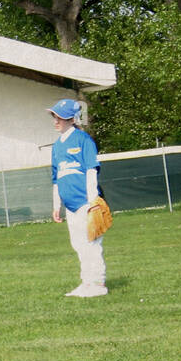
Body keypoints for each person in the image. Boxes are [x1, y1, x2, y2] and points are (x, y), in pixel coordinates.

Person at [50, 98, 107, 298]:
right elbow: (56, 178)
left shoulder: (83, 140)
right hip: (71, 206)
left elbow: (91, 170)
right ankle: (86, 282)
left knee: (91, 243)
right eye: (54, 116)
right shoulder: (57, 146)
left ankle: (98, 284)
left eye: (60, 117)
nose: (56, 120)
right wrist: (57, 205)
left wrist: (93, 202)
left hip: (85, 202)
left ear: (72, 119)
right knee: (79, 245)